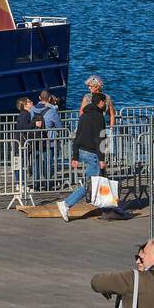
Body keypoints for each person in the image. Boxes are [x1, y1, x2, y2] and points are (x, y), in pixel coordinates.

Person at [57, 92, 108, 222]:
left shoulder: (83, 116)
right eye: (104, 102)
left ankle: (107, 208)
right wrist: (102, 158)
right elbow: (100, 138)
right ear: (100, 102)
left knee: (100, 179)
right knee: (89, 185)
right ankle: (66, 203)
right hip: (93, 154)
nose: (106, 105)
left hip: (82, 151)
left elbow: (77, 135)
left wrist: (75, 156)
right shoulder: (99, 116)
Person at [90, 238, 154, 308]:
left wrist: (107, 289)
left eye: (144, 254)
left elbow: (97, 282)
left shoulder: (134, 279)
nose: (140, 259)